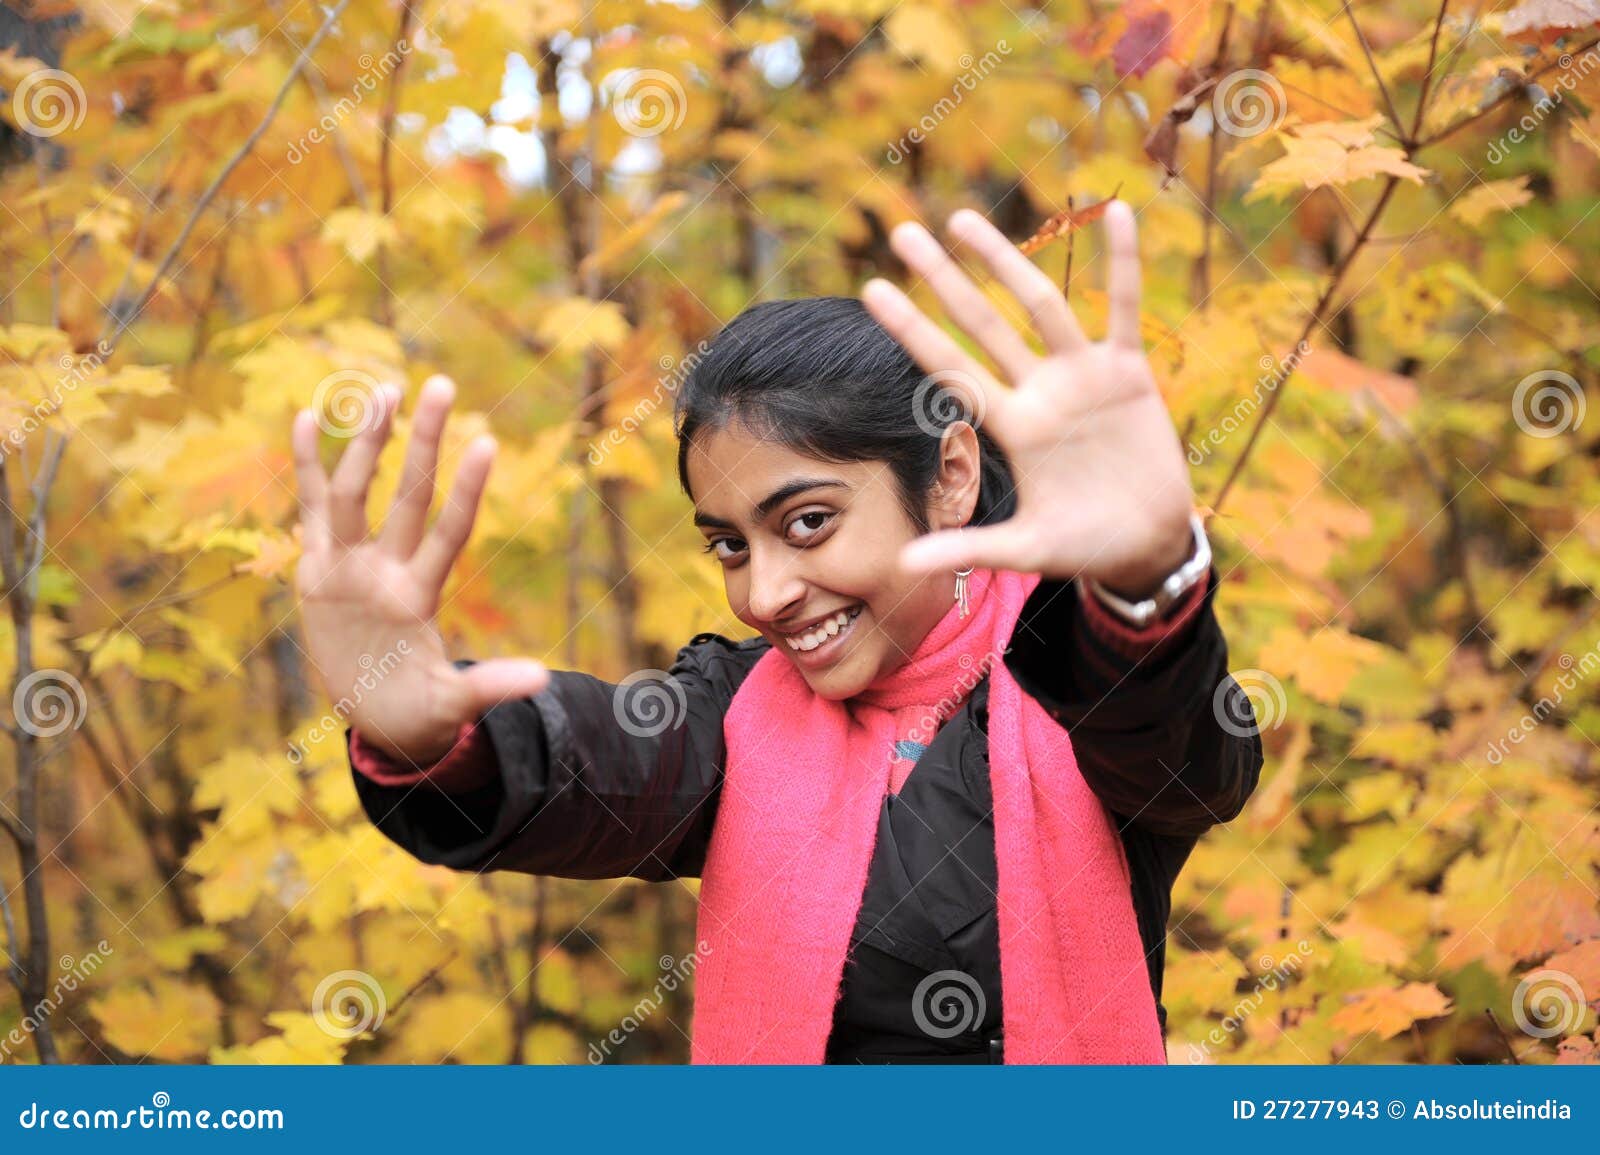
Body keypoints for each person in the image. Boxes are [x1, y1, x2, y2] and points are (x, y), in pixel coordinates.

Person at [291, 202, 1264, 1064]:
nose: (764, 593)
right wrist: (430, 739)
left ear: (951, 475)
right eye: (728, 544)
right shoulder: (738, 713)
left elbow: (1181, 745)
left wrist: (1144, 582)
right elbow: (596, 758)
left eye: (807, 523)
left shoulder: (1083, 678)